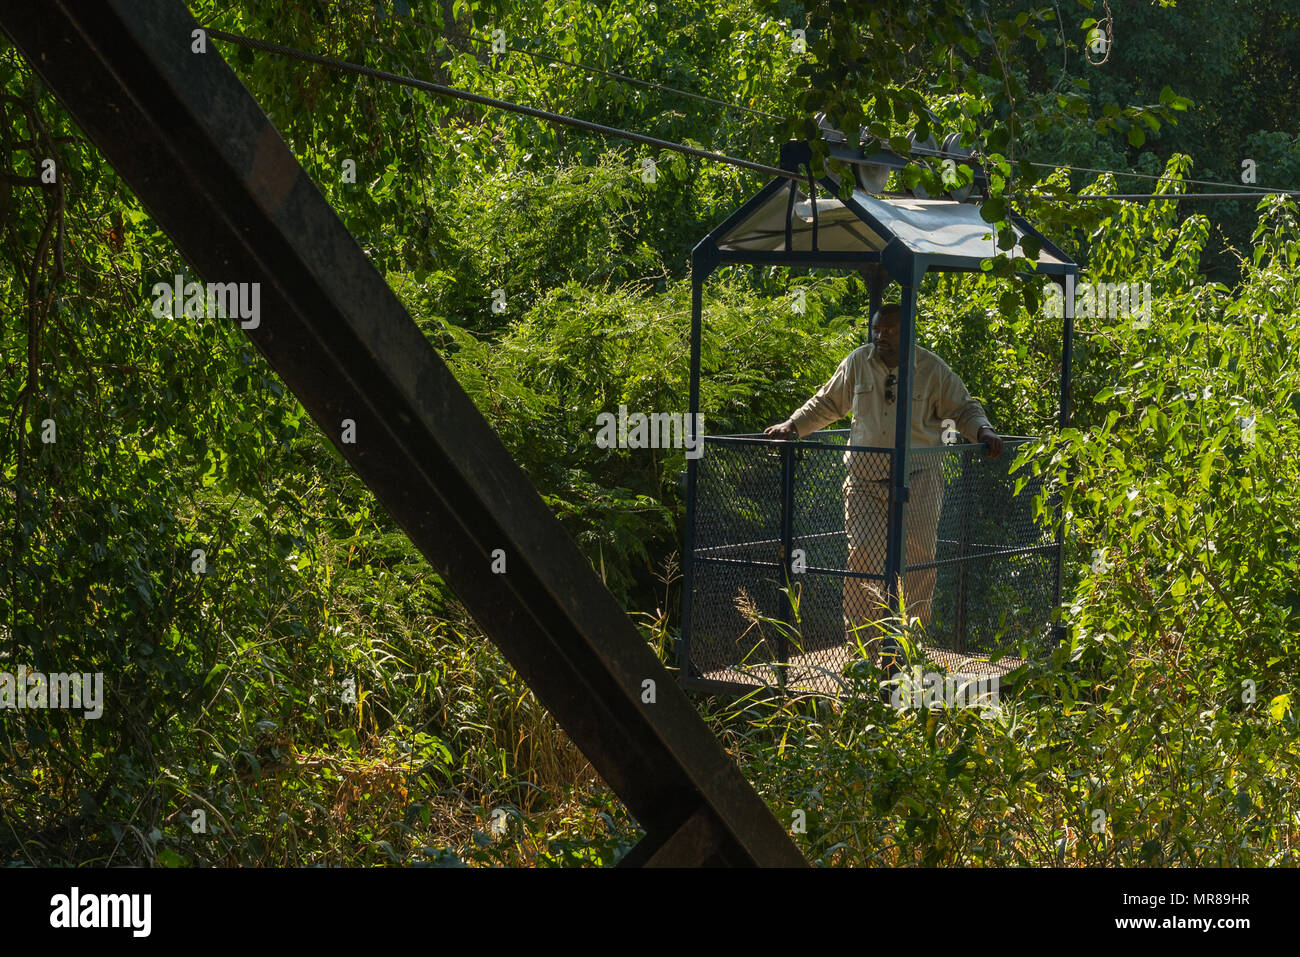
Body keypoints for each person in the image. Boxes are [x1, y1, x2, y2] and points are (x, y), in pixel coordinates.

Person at [764, 303, 1003, 660]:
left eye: (889, 331)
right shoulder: (857, 362)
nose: (880, 337)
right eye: (876, 330)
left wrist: (984, 431)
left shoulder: (931, 368)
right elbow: (827, 403)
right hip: (864, 480)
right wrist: (792, 426)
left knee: (919, 559)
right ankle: (862, 651)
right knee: (863, 557)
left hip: (919, 479)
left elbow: (963, 409)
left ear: (908, 332)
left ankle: (909, 648)